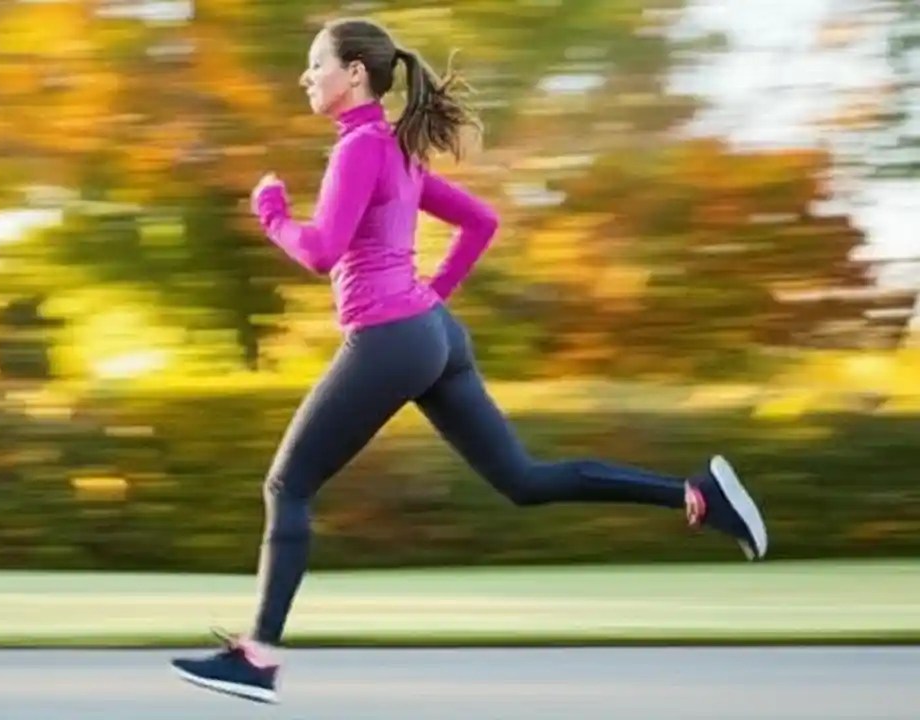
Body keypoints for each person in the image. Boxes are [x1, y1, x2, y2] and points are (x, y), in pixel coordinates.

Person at [170, 17, 768, 705]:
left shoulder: (359, 148)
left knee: (288, 486)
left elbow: (321, 252)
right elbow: (482, 223)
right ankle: (695, 494)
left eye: (316, 63)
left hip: (392, 337)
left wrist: (272, 213)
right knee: (524, 480)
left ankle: (257, 659)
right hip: (433, 335)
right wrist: (430, 303)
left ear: (355, 74)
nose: (305, 76)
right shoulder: (395, 149)